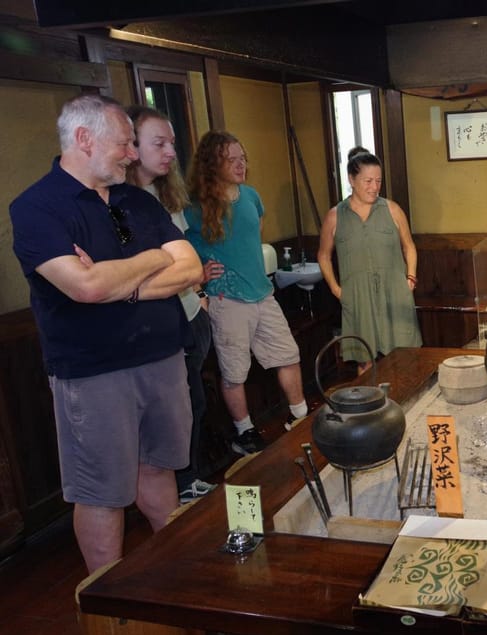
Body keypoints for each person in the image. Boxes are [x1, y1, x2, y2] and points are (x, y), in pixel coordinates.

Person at [9, 94, 203, 573]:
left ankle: (177, 577)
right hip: (93, 373)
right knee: (102, 492)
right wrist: (155, 257)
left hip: (161, 357)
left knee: (159, 469)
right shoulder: (37, 207)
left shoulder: (136, 199)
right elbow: (86, 288)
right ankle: (107, 601)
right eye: (124, 143)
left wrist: (126, 282)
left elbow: (191, 268)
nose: (133, 154)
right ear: (83, 138)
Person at [184, 130, 307, 455]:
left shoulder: (251, 196)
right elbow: (182, 246)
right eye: (232, 160)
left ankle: (300, 415)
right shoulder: (195, 209)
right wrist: (202, 272)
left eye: (243, 158)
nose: (242, 165)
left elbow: (253, 233)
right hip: (226, 298)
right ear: (213, 164)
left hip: (262, 293)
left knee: (288, 354)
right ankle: (245, 432)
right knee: (234, 370)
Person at [126, 106, 220, 503]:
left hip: (191, 312)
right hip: (155, 323)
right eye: (158, 143)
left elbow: (185, 260)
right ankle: (180, 486)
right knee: (174, 410)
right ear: (131, 147)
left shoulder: (167, 196)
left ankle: (189, 478)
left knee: (192, 403)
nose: (169, 153)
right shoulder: (123, 200)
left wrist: (197, 293)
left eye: (172, 144)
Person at [318, 147, 422, 375]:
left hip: (394, 292)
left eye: (378, 181)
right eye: (368, 181)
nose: (374, 187)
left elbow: (409, 246)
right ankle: (371, 408)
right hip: (357, 297)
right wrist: (337, 290)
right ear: (351, 179)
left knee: (405, 355)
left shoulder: (392, 210)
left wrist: (411, 278)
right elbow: (323, 256)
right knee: (364, 360)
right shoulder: (335, 216)